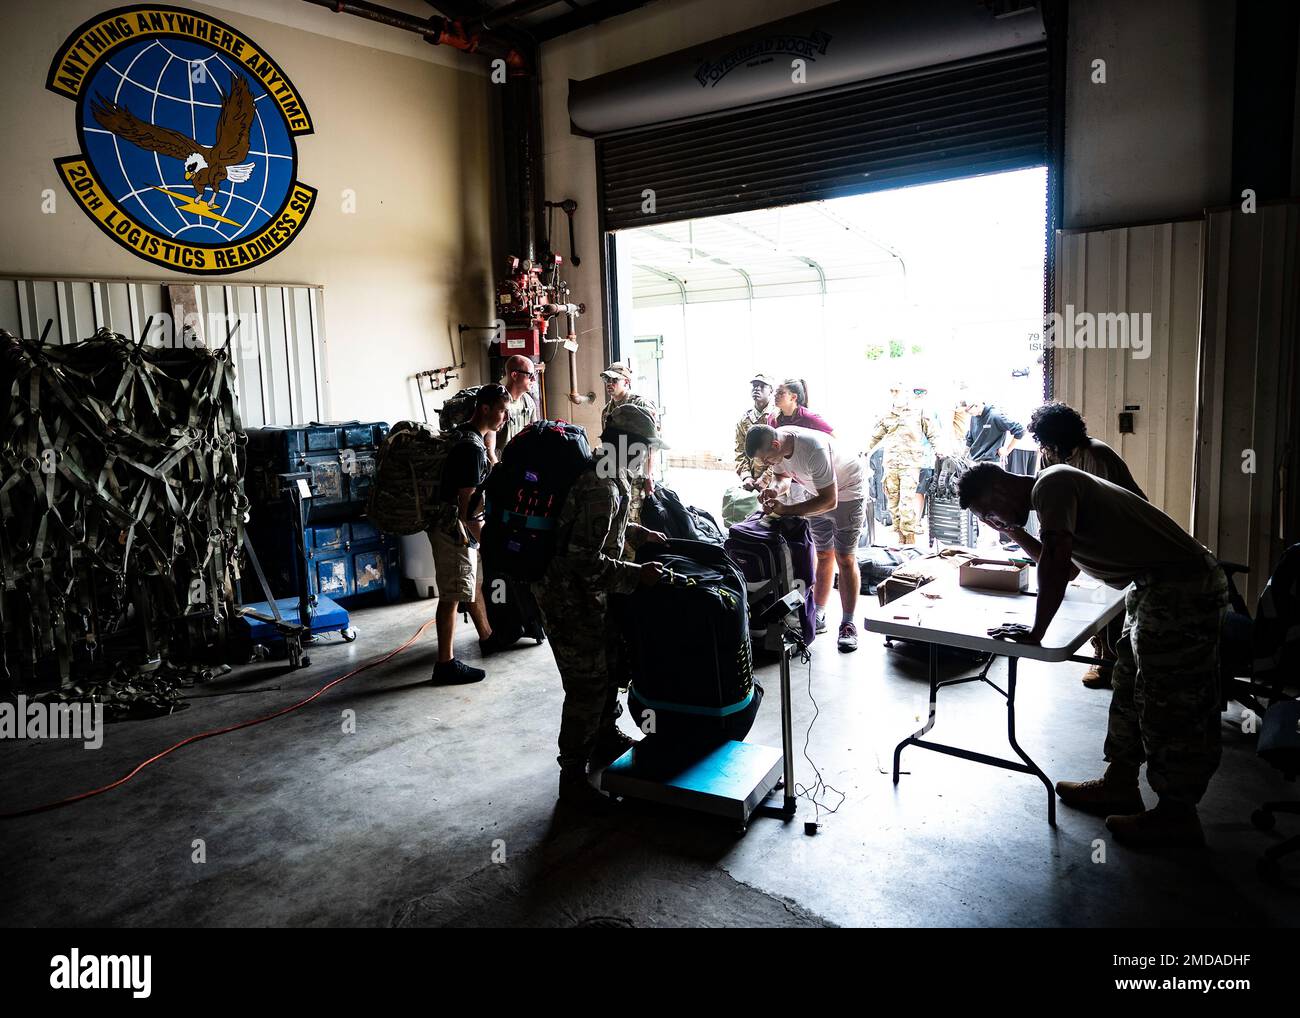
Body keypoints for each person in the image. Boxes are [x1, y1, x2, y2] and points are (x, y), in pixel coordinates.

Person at [956, 462, 1228, 849]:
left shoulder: (1052, 484)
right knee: (1129, 686)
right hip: (1152, 587)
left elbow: (1054, 559)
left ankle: (1177, 816)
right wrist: (1014, 531)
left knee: (1171, 703)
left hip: (1183, 587)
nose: (989, 521)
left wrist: (1036, 632)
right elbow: (1064, 569)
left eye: (987, 513)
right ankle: (1119, 784)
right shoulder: (1050, 499)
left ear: (999, 489)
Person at [532, 401, 669, 812]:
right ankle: (571, 778)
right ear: (628, 445)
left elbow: (607, 526)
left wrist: (637, 532)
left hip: (592, 592)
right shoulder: (601, 485)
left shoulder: (612, 474)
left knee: (610, 665)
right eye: (645, 447)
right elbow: (583, 560)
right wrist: (635, 575)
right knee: (587, 684)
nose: (648, 455)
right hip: (568, 598)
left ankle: (605, 738)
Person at [1029, 401, 1147, 689]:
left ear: (1060, 439)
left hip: (1122, 532)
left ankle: (1112, 659)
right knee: (1093, 596)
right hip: (1086, 534)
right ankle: (1103, 652)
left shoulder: (1096, 456)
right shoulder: (1050, 455)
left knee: (1114, 599)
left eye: (1047, 442)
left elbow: (1110, 510)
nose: (1044, 449)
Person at [746, 424, 866, 652]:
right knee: (822, 553)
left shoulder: (813, 449)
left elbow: (830, 501)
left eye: (768, 459)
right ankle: (819, 612)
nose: (769, 464)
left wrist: (787, 510)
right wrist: (774, 490)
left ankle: (848, 623)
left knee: (845, 557)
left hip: (847, 491)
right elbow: (781, 476)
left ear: (775, 445)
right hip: (816, 490)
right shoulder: (777, 445)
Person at [429, 384, 510, 684]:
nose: (504, 416)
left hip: (448, 525)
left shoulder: (464, 434)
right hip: (454, 530)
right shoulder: (471, 448)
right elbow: (467, 506)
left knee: (457, 590)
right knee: (451, 596)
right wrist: (480, 539)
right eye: (501, 410)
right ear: (485, 409)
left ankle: (469, 646)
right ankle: (445, 664)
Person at [866, 381, 937, 546]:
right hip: (890, 465)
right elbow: (875, 436)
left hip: (910, 464)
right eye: (892, 391)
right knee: (893, 504)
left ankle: (910, 541)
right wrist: (863, 450)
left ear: (906, 392)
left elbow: (932, 433)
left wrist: (940, 450)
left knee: (906, 504)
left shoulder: (918, 411)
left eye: (898, 391)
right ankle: (901, 541)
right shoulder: (887, 414)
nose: (895, 394)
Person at [600, 360, 659, 524]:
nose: (609, 384)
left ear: (626, 382)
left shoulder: (640, 405)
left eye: (614, 380)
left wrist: (649, 475)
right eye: (607, 380)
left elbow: (652, 443)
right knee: (617, 519)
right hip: (615, 474)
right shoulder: (607, 411)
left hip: (636, 476)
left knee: (632, 520)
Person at [484, 354, 540, 465]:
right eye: (530, 375)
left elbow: (535, 437)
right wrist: (498, 472)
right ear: (514, 375)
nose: (534, 379)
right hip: (502, 465)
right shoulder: (498, 402)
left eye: (535, 374)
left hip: (520, 462)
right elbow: (490, 451)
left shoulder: (528, 402)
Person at [734, 373, 776, 485]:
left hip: (776, 482)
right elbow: (740, 451)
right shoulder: (744, 420)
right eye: (754, 386)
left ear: (771, 391)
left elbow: (783, 455)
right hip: (752, 481)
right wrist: (746, 476)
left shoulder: (778, 417)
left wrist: (766, 478)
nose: (757, 388)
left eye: (762, 386)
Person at [963, 397, 1025, 464]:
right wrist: (963, 456)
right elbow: (970, 438)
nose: (968, 413)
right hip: (975, 460)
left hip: (992, 462)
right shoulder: (974, 416)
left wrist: (1007, 450)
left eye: (969, 410)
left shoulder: (995, 416)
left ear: (977, 405)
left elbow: (1020, 430)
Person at [767, 378, 833, 434]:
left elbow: (832, 436)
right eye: (776, 392)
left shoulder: (809, 418)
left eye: (780, 393)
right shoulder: (773, 418)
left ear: (793, 397)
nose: (775, 395)